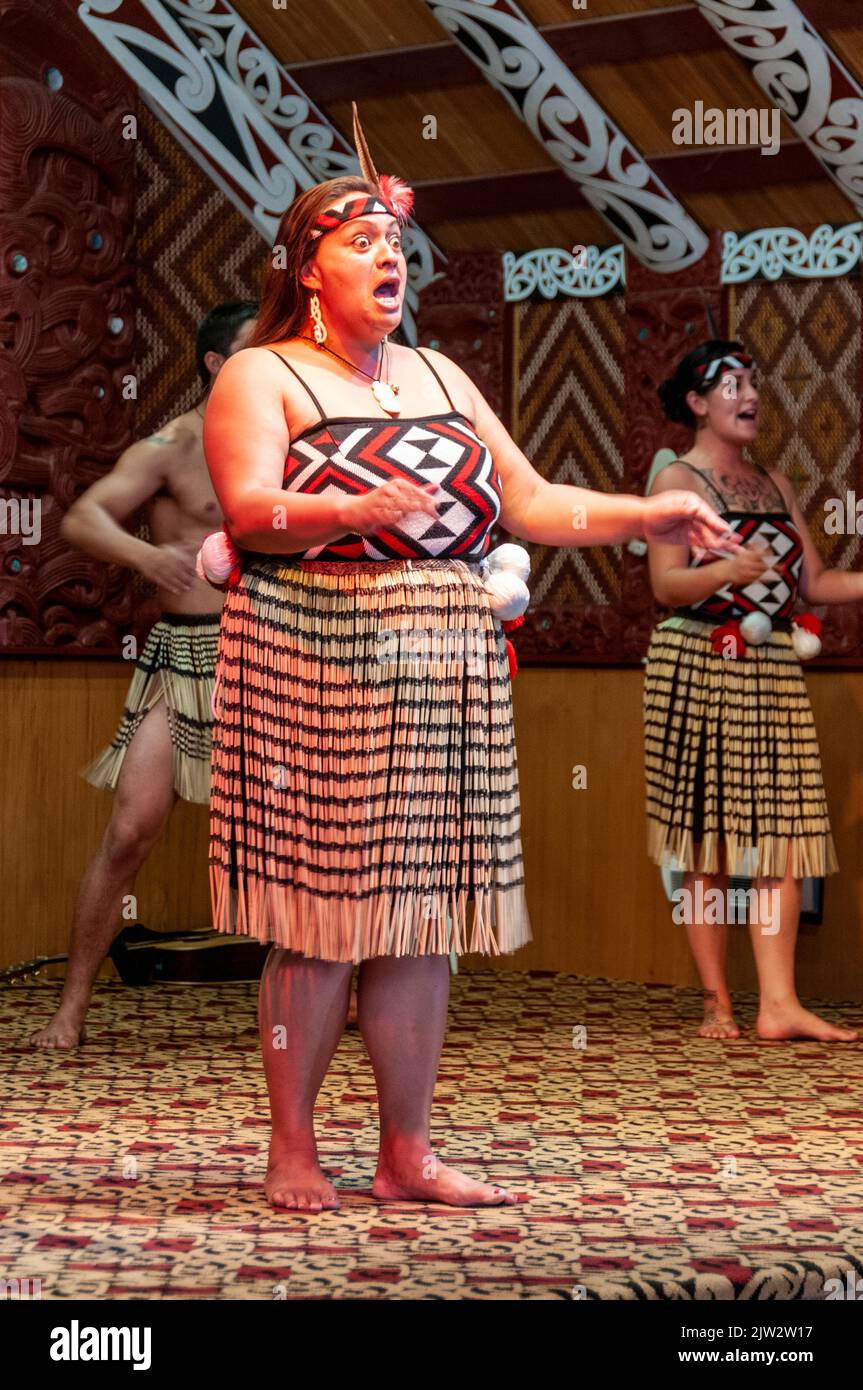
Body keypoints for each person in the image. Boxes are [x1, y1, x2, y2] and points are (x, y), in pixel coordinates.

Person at [201, 105, 734, 1212]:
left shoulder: (441, 375)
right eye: (361, 243)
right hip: (317, 658)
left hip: (445, 663)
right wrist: (349, 502)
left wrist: (647, 514)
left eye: (395, 246)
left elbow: (531, 502)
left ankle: (405, 1152)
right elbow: (251, 513)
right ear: (308, 272)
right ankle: (292, 1147)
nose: (388, 258)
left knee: (421, 912)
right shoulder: (261, 377)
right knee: (323, 915)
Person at [30, 302, 258, 1050]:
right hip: (183, 654)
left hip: (268, 654)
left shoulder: (285, 443)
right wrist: (144, 557)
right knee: (130, 830)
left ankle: (333, 994)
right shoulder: (174, 443)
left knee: (297, 835)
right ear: (217, 364)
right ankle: (71, 1007)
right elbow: (84, 516)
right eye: (259, 351)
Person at [643, 339, 861, 1044]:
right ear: (698, 403)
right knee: (705, 838)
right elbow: (664, 584)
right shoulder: (676, 479)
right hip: (700, 657)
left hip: (770, 667)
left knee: (785, 835)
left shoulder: (772, 482)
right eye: (730, 384)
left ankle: (778, 1004)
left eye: (753, 382)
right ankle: (716, 1003)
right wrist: (723, 574)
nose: (749, 395)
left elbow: (814, 586)